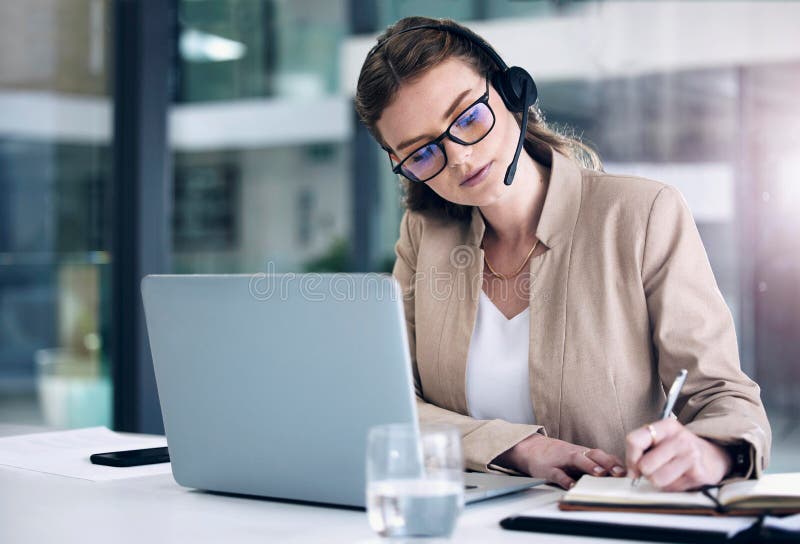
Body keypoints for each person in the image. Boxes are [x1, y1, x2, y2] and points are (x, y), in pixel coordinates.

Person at [355, 16, 771, 491]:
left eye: (468, 118)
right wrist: (518, 448)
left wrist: (712, 451)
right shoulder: (424, 235)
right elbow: (391, 403)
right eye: (422, 153)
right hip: (468, 524)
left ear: (513, 91)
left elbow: (723, 395)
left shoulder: (641, 214)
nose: (460, 159)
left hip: (609, 521)